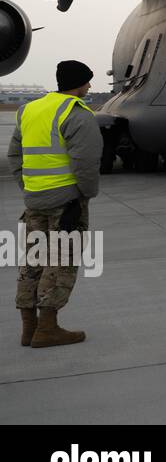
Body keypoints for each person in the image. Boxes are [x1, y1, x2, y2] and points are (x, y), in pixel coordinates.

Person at [9, 60, 102, 347]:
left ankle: (29, 328)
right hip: (67, 203)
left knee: (33, 260)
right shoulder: (77, 113)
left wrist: (29, 186)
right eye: (87, 82)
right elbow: (85, 162)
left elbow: (15, 155)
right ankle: (48, 328)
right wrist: (84, 194)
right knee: (62, 261)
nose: (89, 87)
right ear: (77, 84)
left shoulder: (29, 109)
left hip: (35, 199)